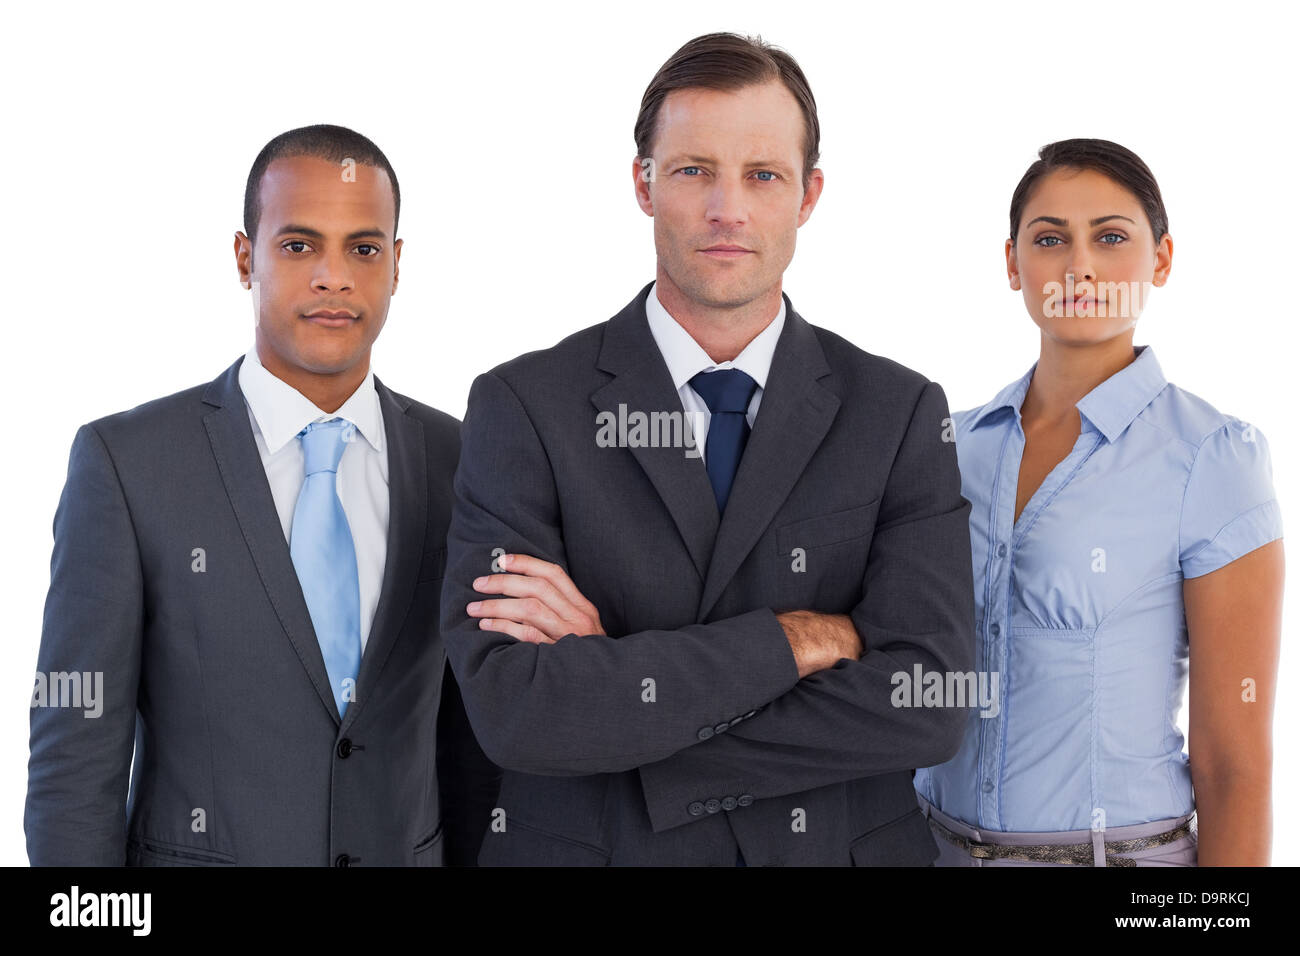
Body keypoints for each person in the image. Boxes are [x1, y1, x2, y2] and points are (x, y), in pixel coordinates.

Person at [440, 32, 976, 866]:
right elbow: (517, 710)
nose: (728, 208)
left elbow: (927, 703)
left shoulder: (899, 411)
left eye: (762, 175)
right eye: (693, 170)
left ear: (809, 195)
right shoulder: (522, 406)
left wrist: (619, 692)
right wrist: (794, 641)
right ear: (642, 184)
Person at [25, 124, 499, 866]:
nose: (334, 278)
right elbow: (72, 762)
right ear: (246, 257)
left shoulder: (463, 459)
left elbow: (479, 745)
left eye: (364, 249)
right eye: (299, 245)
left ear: (398, 265)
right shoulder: (128, 465)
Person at [914, 138, 1285, 866]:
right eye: (1050, 239)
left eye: (1110, 237)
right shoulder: (945, 448)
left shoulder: (1213, 459)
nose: (1078, 265)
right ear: (1014, 264)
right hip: (922, 847)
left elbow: (1235, 767)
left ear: (1162, 260)